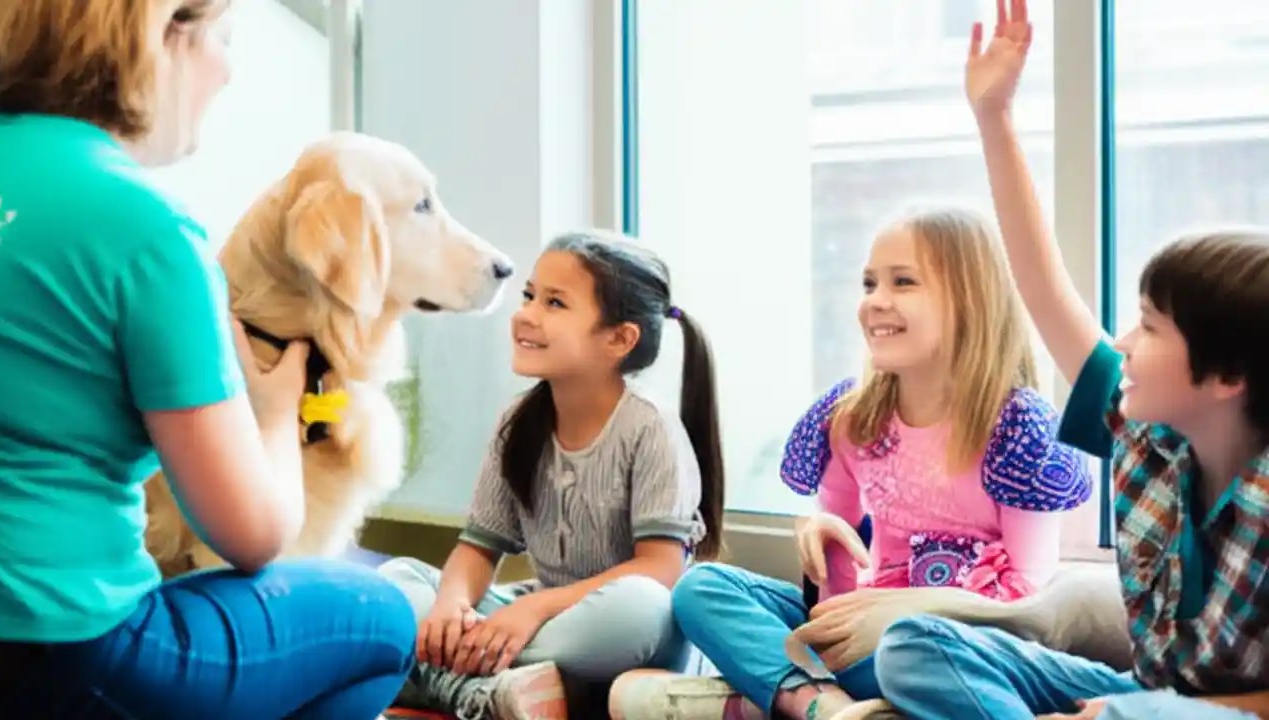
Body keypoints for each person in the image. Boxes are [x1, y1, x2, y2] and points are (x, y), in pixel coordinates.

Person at [0, 1, 414, 717]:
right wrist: (276, 418)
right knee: (380, 617)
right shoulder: (146, 226)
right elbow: (254, 535)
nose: (226, 69)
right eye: (221, 37)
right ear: (162, 36)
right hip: (64, 652)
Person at [871, 2, 1269, 719]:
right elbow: (1043, 287)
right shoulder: (1149, 441)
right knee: (915, 645)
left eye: (1148, 327)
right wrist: (994, 117)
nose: (1120, 343)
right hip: (1147, 698)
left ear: (1227, 377)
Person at [611, 206, 1093, 720]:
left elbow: (1029, 605)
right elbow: (837, 590)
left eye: (903, 282)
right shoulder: (852, 418)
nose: (875, 303)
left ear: (971, 301)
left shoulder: (1018, 427)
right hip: (858, 641)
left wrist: (901, 617)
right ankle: (824, 705)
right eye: (869, 284)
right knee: (702, 587)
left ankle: (783, 697)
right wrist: (825, 536)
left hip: (959, 645)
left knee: (913, 655)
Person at [379, 231, 725, 720]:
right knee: (397, 582)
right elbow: (478, 548)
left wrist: (533, 611)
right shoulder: (517, 421)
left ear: (619, 339)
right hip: (539, 621)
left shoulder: (651, 428)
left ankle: (448, 677)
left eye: (555, 303)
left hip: (613, 630)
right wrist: (451, 606)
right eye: (529, 295)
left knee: (638, 608)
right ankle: (497, 690)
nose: (526, 314)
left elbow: (659, 569)